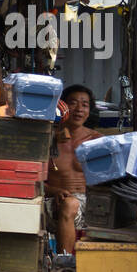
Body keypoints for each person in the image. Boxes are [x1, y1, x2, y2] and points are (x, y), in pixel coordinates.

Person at [45, 83, 100, 254]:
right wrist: (55, 191)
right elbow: (34, 181)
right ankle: (64, 263)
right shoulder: (48, 138)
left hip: (89, 204)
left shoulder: (97, 140)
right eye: (73, 103)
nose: (79, 109)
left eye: (85, 105)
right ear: (62, 106)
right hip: (55, 204)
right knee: (70, 204)